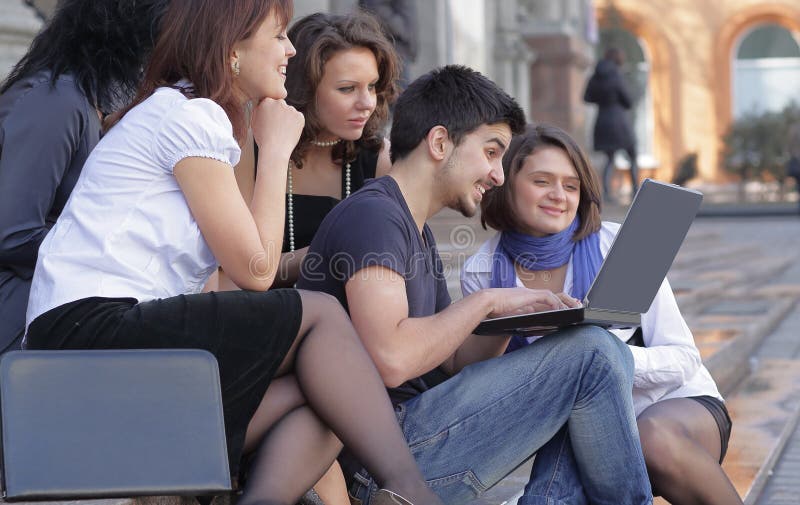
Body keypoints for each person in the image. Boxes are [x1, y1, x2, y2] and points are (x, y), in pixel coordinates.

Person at [22, 2, 442, 505]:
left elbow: (222, 278)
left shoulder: (186, 113)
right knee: (323, 315)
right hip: (88, 331)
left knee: (334, 391)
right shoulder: (189, 114)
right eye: (279, 35)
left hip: (117, 340)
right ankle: (414, 492)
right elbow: (257, 271)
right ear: (232, 49)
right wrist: (277, 149)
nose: (290, 49)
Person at [297, 65, 653, 505]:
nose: (498, 175)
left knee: (595, 350)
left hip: (416, 432)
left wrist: (513, 317)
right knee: (595, 355)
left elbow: (451, 362)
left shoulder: (415, 227)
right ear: (440, 142)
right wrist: (486, 301)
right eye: (491, 152)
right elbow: (390, 357)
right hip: (384, 461)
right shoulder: (374, 217)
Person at [462, 123, 742, 505]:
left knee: (651, 437)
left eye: (571, 186)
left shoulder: (620, 244)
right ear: (507, 184)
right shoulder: (483, 272)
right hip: (579, 435)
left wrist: (601, 357)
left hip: (672, 409)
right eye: (542, 181)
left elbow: (684, 358)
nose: (558, 196)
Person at [0, 0, 168, 355]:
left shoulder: (86, 101)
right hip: (19, 315)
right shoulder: (57, 100)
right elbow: (11, 231)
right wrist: (112, 248)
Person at [273, 10, 399, 287]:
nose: (367, 102)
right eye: (347, 89)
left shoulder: (380, 159)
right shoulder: (255, 151)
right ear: (303, 88)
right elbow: (235, 272)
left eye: (373, 86)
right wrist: (335, 249)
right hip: (261, 320)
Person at [584, 47, 639, 201]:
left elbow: (587, 98)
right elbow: (628, 101)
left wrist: (603, 100)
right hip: (619, 120)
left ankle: (607, 192)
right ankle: (636, 190)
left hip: (602, 119)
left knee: (609, 158)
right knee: (632, 154)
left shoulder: (595, 76)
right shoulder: (617, 75)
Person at [358, 0, 417, 87]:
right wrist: (401, 28)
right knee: (396, 93)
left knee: (401, 92)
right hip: (391, 46)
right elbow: (374, 7)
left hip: (402, 48)